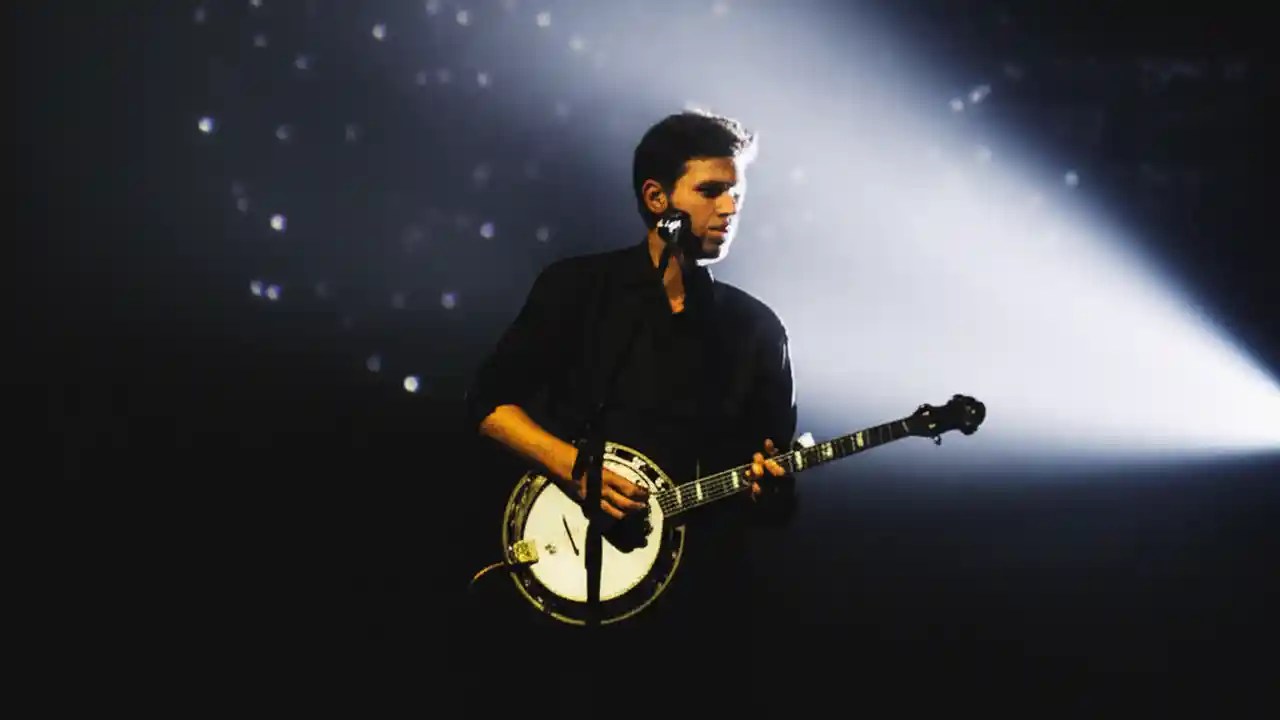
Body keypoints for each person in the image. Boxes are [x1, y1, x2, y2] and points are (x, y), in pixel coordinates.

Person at [460, 109, 799, 655]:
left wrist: (773, 490)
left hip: (698, 615)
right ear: (656, 198)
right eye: (711, 191)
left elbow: (773, 490)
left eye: (736, 193)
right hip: (568, 594)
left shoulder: (757, 330)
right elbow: (487, 403)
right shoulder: (578, 288)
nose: (731, 208)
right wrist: (573, 469)